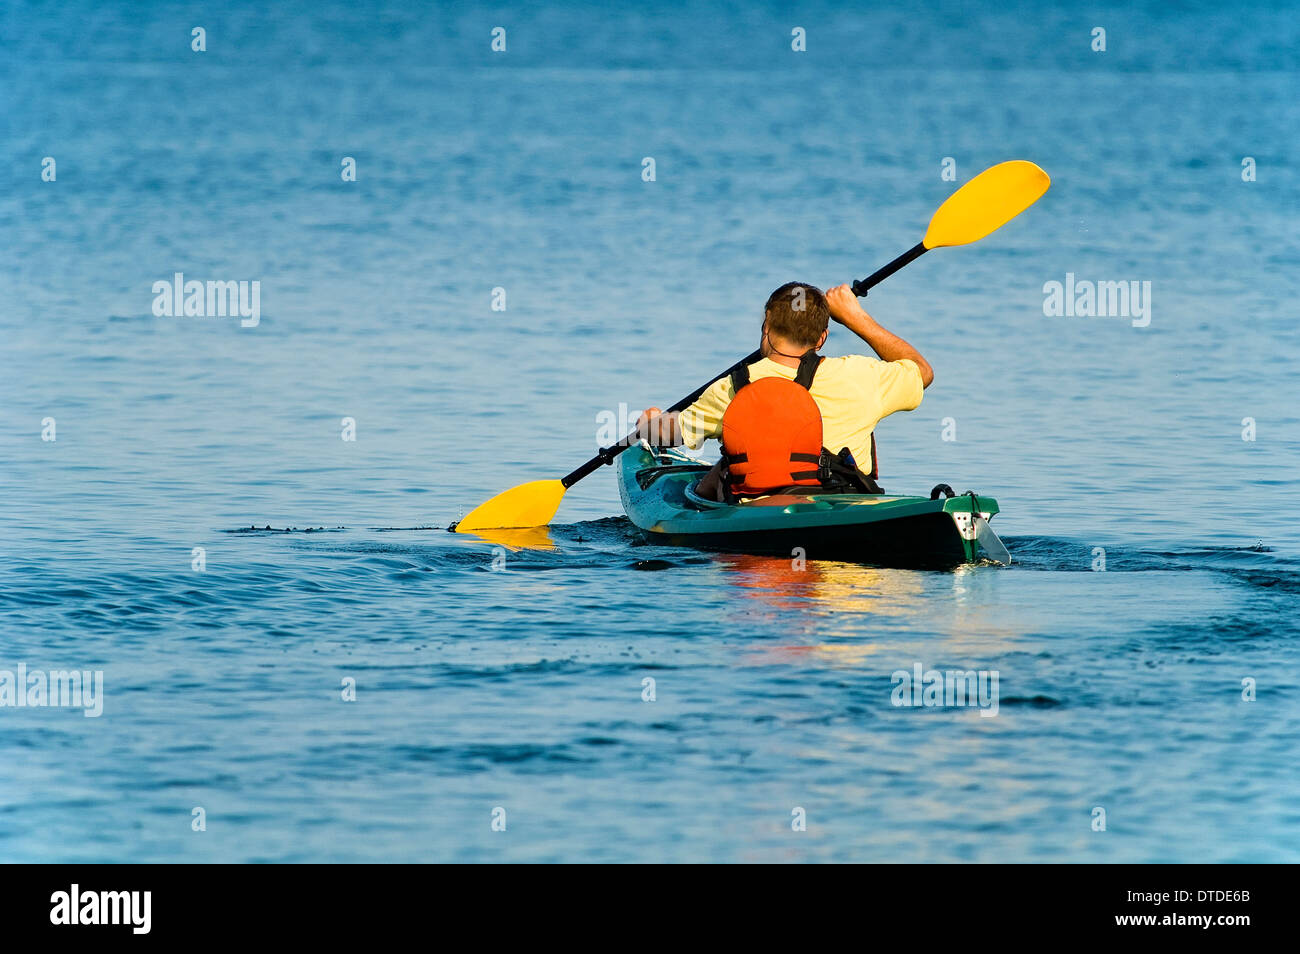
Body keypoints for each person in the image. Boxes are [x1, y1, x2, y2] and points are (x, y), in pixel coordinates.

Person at [634, 282, 933, 500]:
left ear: (766, 326)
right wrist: (856, 317)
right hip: (844, 515)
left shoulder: (733, 387)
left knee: (722, 470)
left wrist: (650, 424)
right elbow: (922, 371)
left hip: (764, 520)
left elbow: (674, 434)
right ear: (822, 338)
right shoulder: (861, 375)